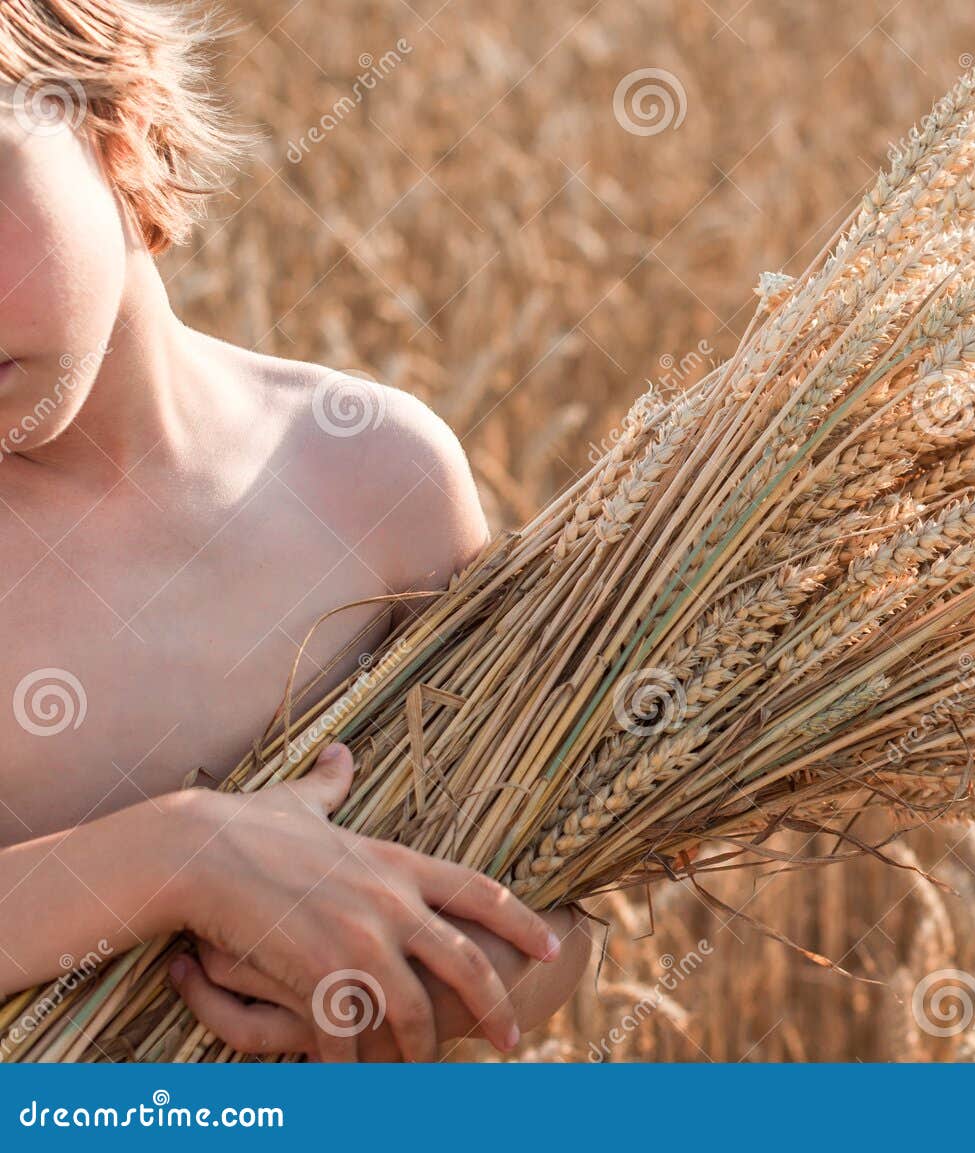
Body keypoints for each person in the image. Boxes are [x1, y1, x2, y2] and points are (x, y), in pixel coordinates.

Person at [0, 0, 589, 1061]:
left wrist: (487, 975)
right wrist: (171, 857)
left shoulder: (373, 475)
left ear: (115, 129)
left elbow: (557, 872)